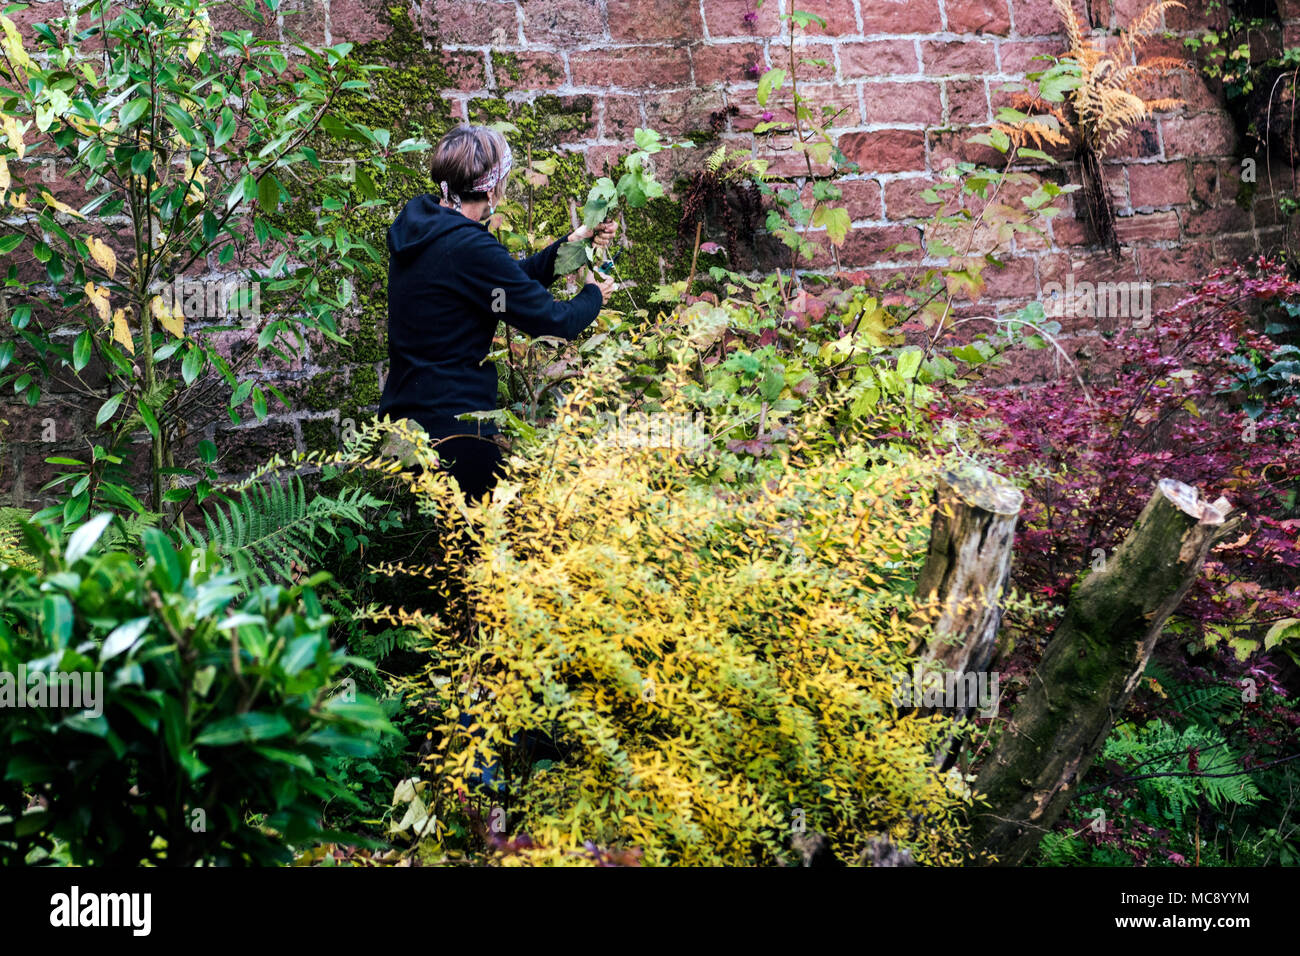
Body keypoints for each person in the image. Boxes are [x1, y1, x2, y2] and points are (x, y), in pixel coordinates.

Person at [379, 123, 618, 500]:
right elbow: (553, 321)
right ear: (491, 188)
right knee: (484, 553)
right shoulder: (468, 246)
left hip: (408, 422)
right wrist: (594, 295)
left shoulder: (422, 225)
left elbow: (497, 288)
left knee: (447, 551)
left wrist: (568, 246)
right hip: (456, 431)